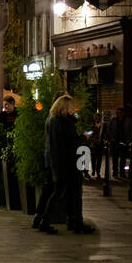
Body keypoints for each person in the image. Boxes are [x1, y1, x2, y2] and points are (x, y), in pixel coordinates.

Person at [36, 94, 95, 234]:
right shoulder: (64, 122)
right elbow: (72, 142)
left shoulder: (51, 120)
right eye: (72, 107)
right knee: (71, 193)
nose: (74, 109)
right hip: (68, 163)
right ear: (65, 107)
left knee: (60, 192)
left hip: (57, 162)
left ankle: (50, 221)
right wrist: (84, 137)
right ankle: (74, 222)